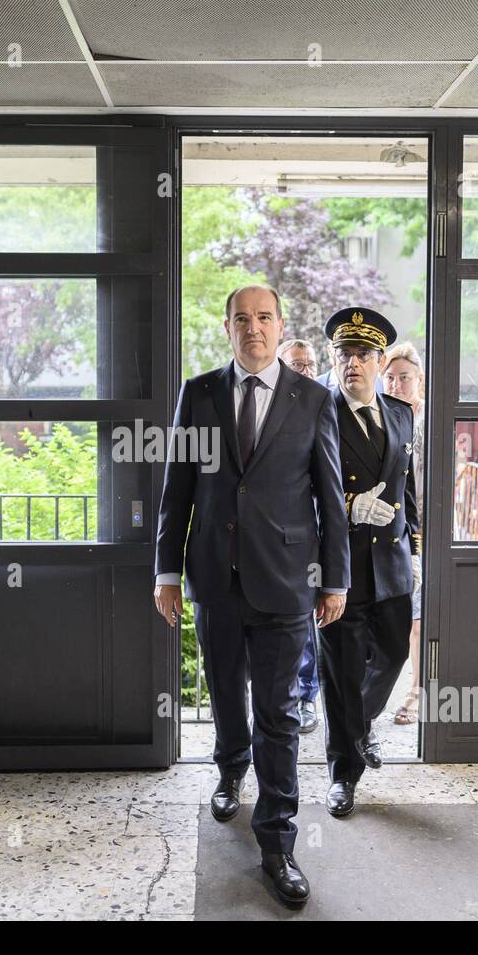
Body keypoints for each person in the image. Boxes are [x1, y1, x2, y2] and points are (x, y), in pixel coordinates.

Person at [154, 284, 348, 908]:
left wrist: (336, 578)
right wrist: (165, 571)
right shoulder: (199, 392)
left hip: (288, 582)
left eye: (265, 318)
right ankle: (229, 767)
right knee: (225, 690)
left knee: (281, 712)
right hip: (214, 577)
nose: (254, 328)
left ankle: (277, 843)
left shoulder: (314, 399)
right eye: (243, 318)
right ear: (227, 326)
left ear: (280, 324)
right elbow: (177, 486)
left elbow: (329, 498)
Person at [316, 307, 418, 815]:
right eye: (343, 353)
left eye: (362, 354)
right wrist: (350, 507)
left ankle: (358, 729)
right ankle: (343, 773)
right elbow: (295, 490)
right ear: (332, 359)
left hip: (393, 565)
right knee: (341, 674)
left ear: (381, 361)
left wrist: (414, 544)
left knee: (395, 656)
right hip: (341, 568)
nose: (352, 362)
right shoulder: (316, 412)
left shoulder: (402, 413)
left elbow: (406, 483)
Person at [277, 338, 322, 733]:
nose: (305, 370)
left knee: (308, 625)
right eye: (297, 364)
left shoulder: (320, 403)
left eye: (310, 364)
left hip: (315, 536)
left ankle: (306, 698)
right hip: (278, 540)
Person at [381, 341, 425, 728]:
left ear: (420, 382)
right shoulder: (383, 418)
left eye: (404, 378)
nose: (396, 384)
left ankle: (416, 692)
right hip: (395, 531)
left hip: (427, 530)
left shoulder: (428, 423)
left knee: (418, 621)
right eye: (390, 378)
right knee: (403, 619)